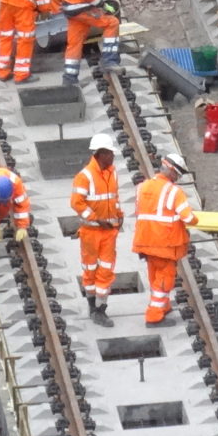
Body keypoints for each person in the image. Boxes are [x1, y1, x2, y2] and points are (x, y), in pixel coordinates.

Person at [132, 154, 199, 328]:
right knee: (165, 279)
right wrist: (197, 220)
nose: (177, 178)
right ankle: (154, 316)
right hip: (164, 244)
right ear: (170, 170)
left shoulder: (142, 187)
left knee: (155, 275)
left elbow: (141, 213)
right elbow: (188, 217)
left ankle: (163, 306)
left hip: (145, 241)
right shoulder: (174, 192)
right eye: (177, 174)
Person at [70, 133, 123, 328]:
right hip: (91, 232)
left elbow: (113, 197)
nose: (113, 156)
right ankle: (94, 308)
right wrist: (96, 219)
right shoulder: (85, 177)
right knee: (90, 270)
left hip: (109, 232)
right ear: (100, 154)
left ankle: (101, 309)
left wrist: (119, 213)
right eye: (109, 153)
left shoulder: (112, 172)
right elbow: (76, 203)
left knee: (106, 270)